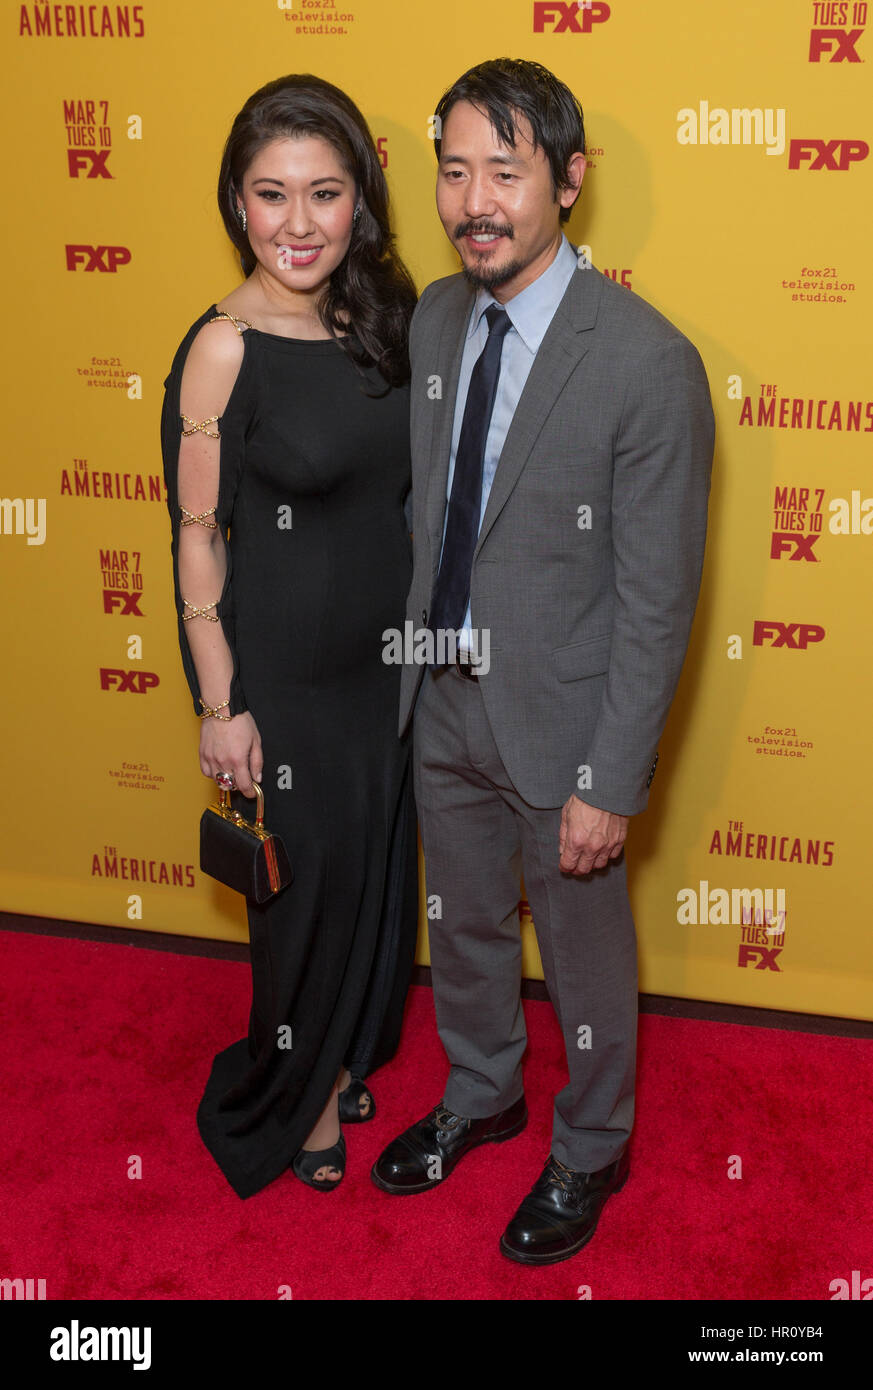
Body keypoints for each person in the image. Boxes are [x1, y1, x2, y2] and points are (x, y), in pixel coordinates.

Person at [371, 58, 715, 1263]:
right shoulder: (435, 316)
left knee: (582, 952)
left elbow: (658, 596)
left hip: (565, 725)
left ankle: (590, 1144)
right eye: (455, 171)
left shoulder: (646, 360)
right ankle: (481, 1090)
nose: (476, 200)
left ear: (568, 181)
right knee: (460, 926)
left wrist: (611, 777)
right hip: (445, 695)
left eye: (505, 173)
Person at [160, 73, 419, 1198]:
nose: (300, 224)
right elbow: (197, 538)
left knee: (367, 879)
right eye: (273, 195)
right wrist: (222, 704)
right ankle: (294, 1092)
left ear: (361, 201)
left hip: (385, 676)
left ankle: (341, 1048)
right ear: (236, 200)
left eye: (325, 193)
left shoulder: (380, 320)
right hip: (286, 679)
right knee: (301, 897)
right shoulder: (224, 348)